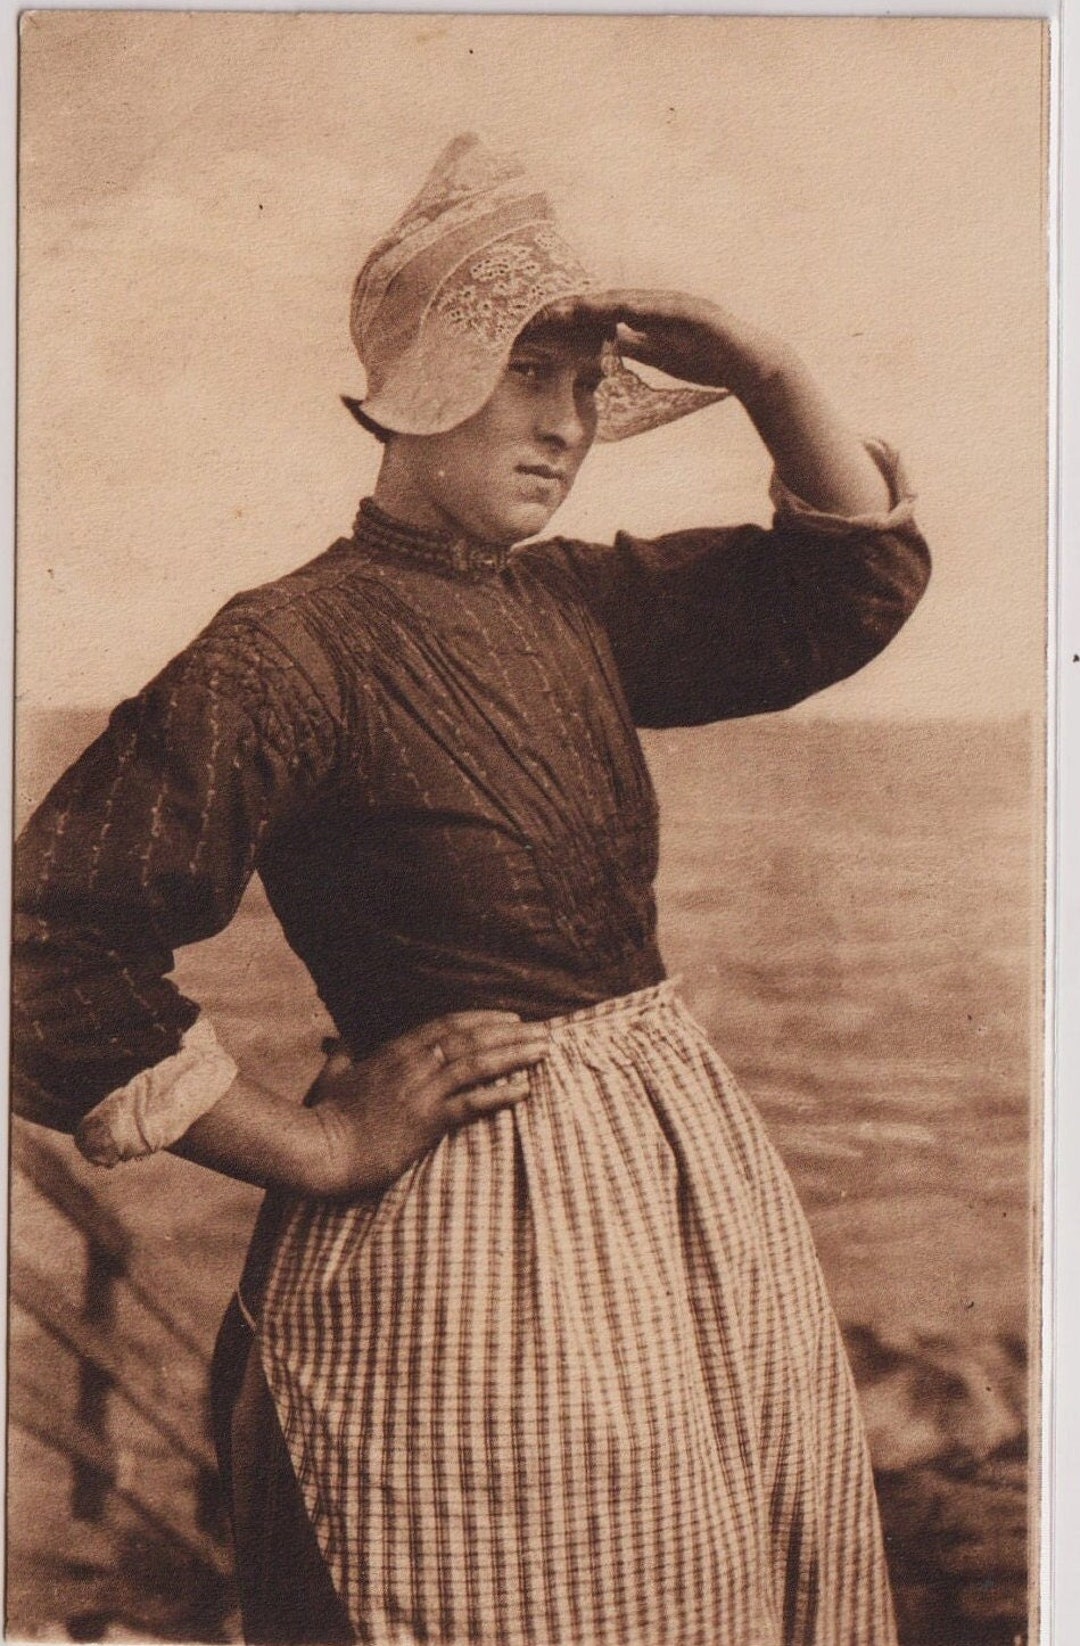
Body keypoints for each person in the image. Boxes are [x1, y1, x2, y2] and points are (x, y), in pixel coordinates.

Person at [13, 134, 930, 1646]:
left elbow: (844, 588)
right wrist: (315, 1142)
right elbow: (47, 943)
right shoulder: (286, 649)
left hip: (675, 1197)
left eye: (584, 384)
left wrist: (763, 366)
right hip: (464, 1236)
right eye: (526, 374)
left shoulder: (578, 605)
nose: (565, 426)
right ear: (419, 389)